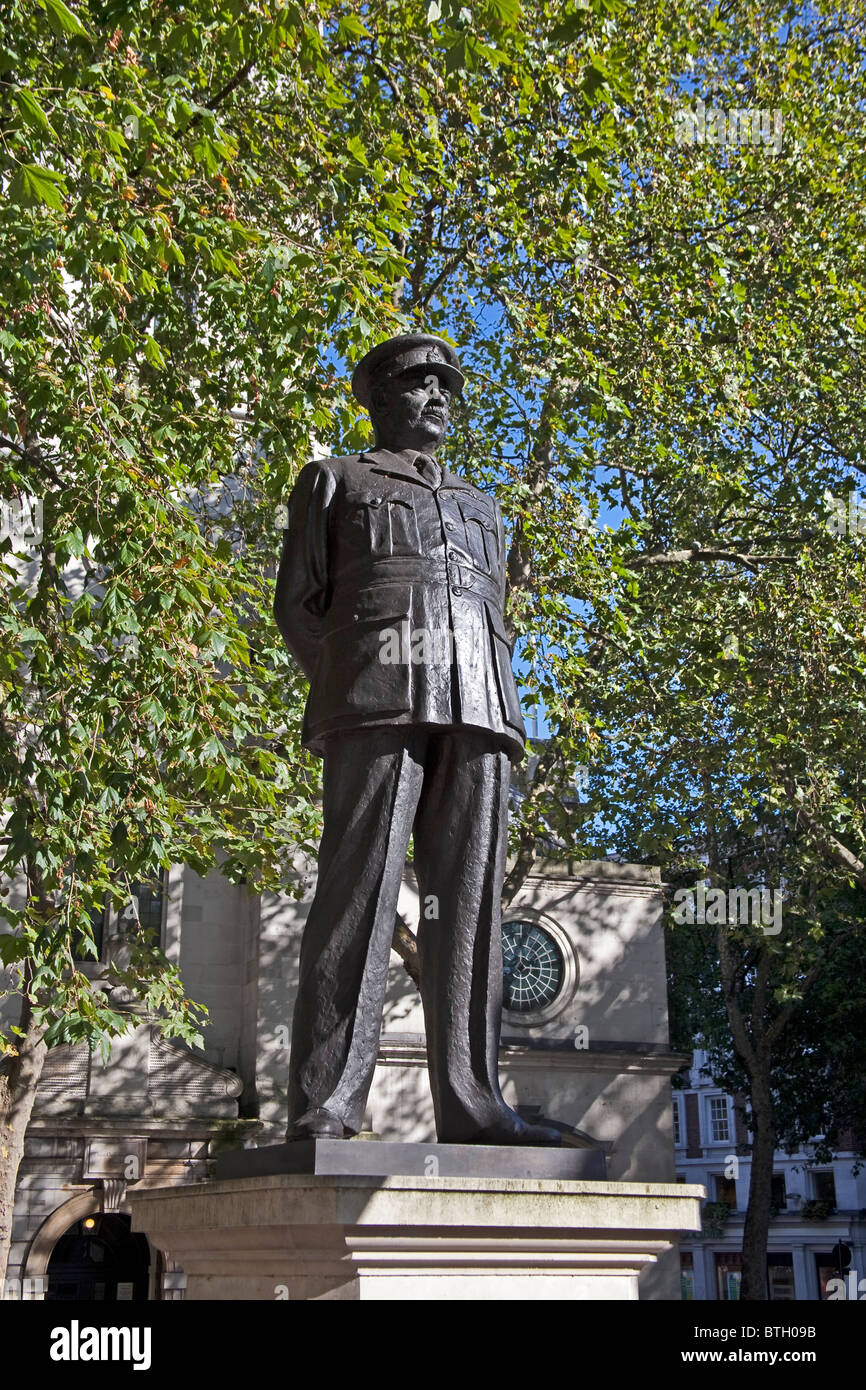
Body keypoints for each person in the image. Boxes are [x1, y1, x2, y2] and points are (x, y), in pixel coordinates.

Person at [274, 333, 560, 1145]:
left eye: (446, 385)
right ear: (377, 398)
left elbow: (493, 614)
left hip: (478, 708)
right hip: (375, 701)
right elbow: (300, 606)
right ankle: (325, 1104)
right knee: (355, 894)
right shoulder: (335, 480)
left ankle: (475, 1104)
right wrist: (350, 680)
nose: (437, 396)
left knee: (468, 907)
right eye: (417, 383)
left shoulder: (483, 506)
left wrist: (505, 714)